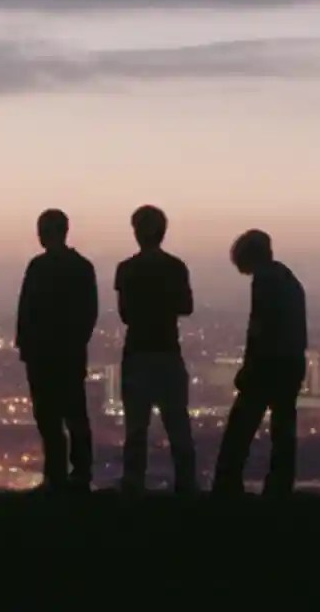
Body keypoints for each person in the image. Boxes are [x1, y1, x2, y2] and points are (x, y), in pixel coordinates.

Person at [213, 230, 307, 499]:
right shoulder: (287, 278)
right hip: (290, 364)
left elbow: (259, 329)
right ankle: (280, 486)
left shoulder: (265, 281)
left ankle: (227, 483)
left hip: (268, 365)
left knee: (241, 426)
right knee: (283, 429)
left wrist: (249, 367)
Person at [114, 205, 197, 496]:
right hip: (167, 351)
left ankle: (133, 483)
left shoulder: (126, 269)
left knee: (136, 428)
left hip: (137, 352)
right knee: (177, 423)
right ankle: (187, 484)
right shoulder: (175, 267)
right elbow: (186, 307)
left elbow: (125, 314)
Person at [15, 209, 98, 493]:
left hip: (43, 356)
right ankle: (80, 473)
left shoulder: (38, 268)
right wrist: (76, 342)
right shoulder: (82, 267)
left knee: (49, 418)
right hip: (69, 354)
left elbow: (26, 311)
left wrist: (26, 347)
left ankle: (56, 475)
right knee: (74, 414)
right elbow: (90, 313)